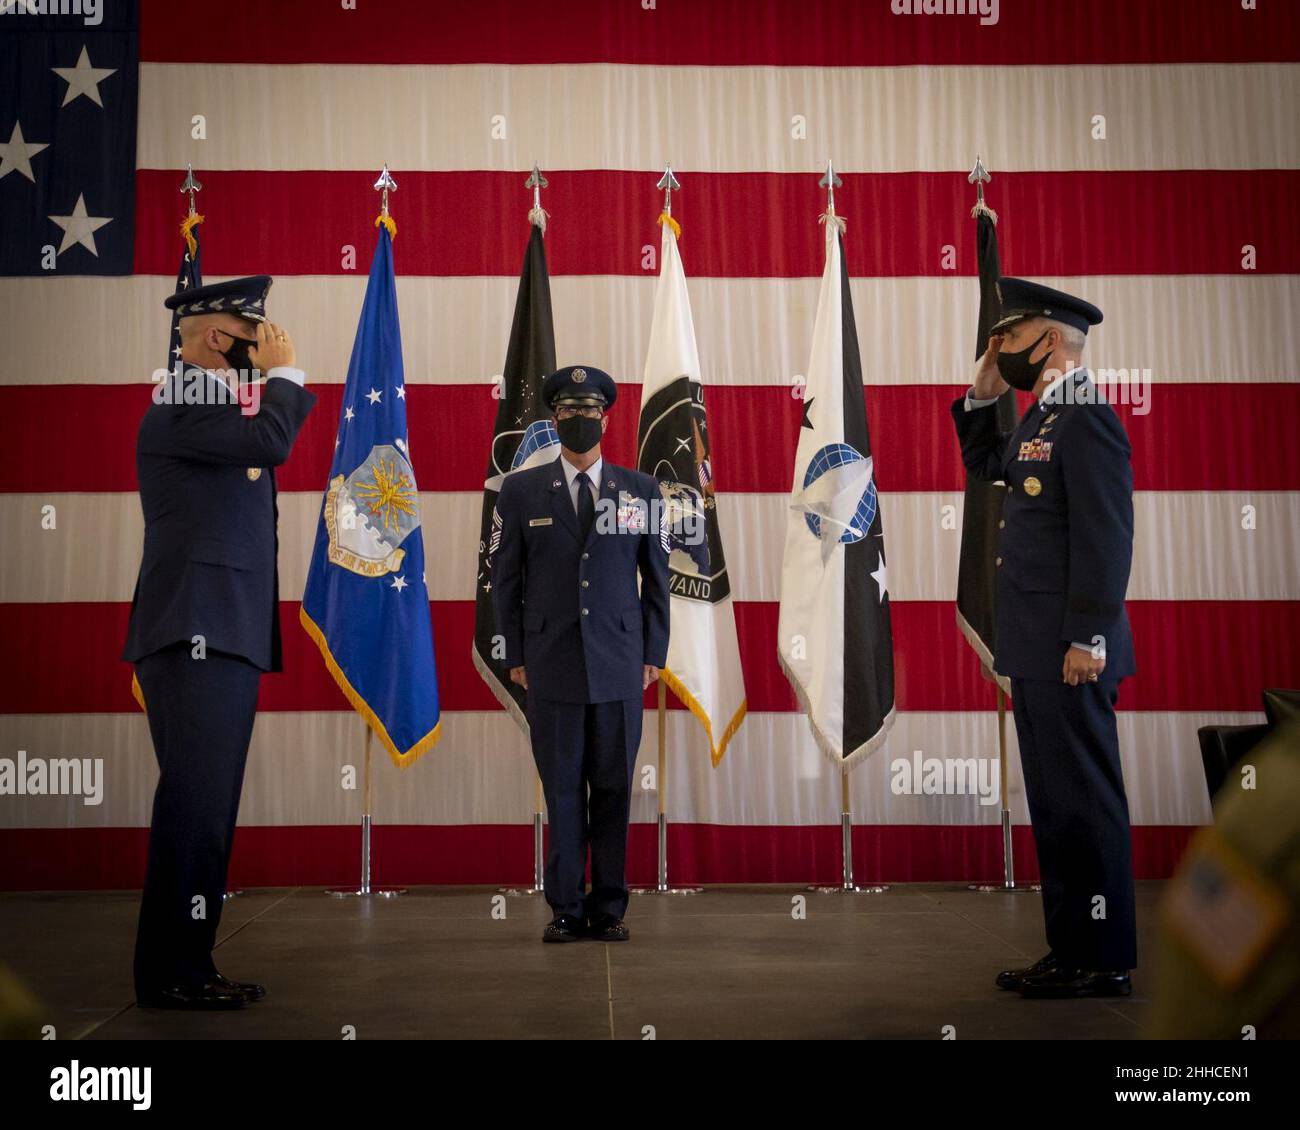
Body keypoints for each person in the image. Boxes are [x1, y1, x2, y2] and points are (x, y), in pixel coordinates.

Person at [123, 275, 315, 1009]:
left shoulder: (216, 407)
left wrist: (272, 381)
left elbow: (263, 441)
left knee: (208, 811)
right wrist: (288, 372)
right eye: (254, 332)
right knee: (195, 810)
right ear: (215, 337)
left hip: (224, 629)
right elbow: (274, 437)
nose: (264, 344)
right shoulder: (181, 403)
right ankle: (172, 971)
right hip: (193, 630)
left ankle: (189, 966)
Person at [951, 278, 1137, 998]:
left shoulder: (1085, 416)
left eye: (1007, 336)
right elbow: (988, 468)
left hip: (1072, 650)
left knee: (1086, 805)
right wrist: (981, 393)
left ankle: (1105, 955)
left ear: (1049, 338)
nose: (997, 346)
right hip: (1035, 648)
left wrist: (1088, 636)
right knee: (1057, 807)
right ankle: (1071, 949)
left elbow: (1105, 535)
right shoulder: (1043, 417)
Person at [491, 365, 670, 943]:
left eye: (589, 411)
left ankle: (609, 908)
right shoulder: (520, 490)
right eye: (569, 411)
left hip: (621, 660)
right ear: (555, 418)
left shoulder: (641, 490)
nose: (580, 420)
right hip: (550, 661)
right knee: (563, 788)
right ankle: (566, 908)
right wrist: (514, 652)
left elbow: (656, 577)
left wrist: (655, 652)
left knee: (614, 789)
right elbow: (504, 581)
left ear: (606, 418)